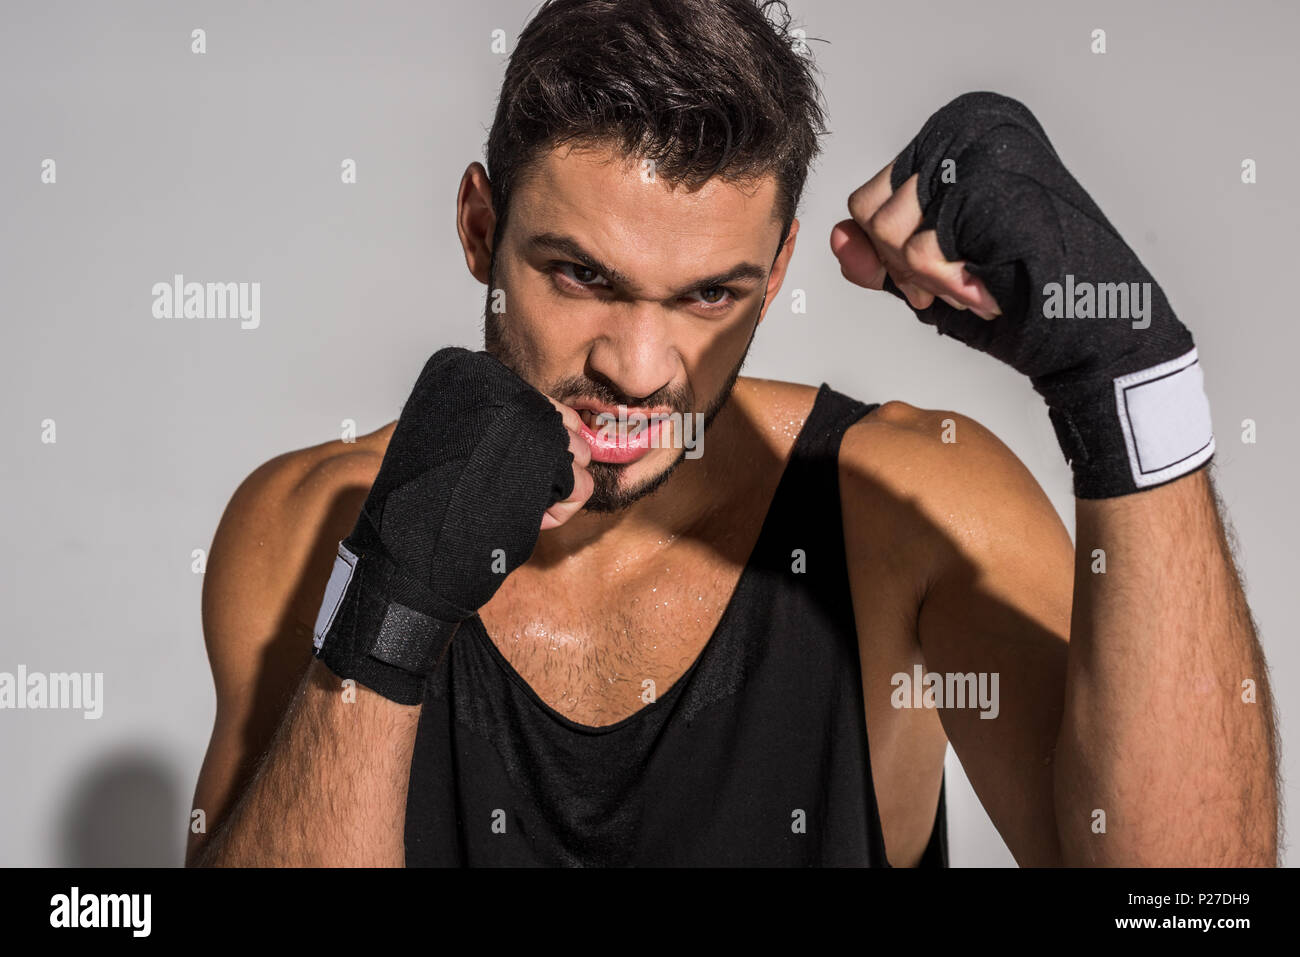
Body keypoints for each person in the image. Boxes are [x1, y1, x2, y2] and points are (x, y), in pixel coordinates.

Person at [186, 0, 1278, 867]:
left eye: (709, 296)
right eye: (581, 276)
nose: (638, 367)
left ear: (778, 277)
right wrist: (395, 604)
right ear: (480, 228)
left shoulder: (909, 511)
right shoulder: (310, 522)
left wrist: (1127, 383)